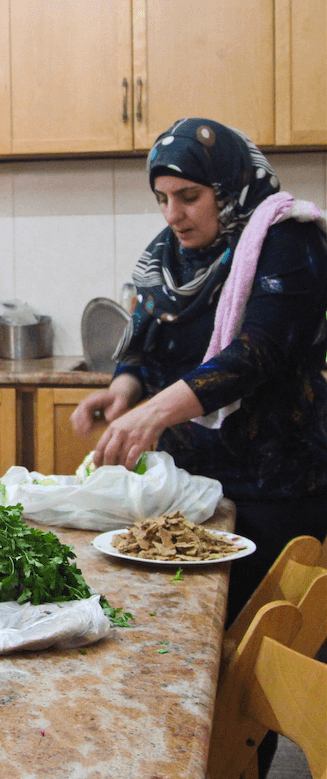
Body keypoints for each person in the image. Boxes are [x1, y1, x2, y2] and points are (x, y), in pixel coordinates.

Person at [72, 118, 327, 627]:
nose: (174, 215)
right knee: (185, 633)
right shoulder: (168, 255)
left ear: (228, 187)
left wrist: (154, 412)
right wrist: (126, 386)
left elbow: (256, 355)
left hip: (273, 486)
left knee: (259, 643)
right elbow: (143, 336)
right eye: (163, 199)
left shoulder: (289, 242)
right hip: (191, 488)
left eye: (188, 196)